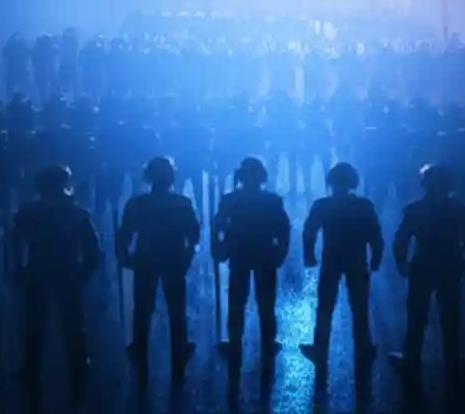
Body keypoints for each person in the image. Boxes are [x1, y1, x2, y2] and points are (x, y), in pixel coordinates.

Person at [11, 165, 102, 409]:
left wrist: (18, 271)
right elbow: (93, 252)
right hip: (67, 274)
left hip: (38, 272)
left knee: (34, 327)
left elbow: (15, 243)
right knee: (74, 328)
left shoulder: (28, 212)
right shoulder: (77, 213)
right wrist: (82, 276)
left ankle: (31, 371)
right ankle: (79, 373)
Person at [390, 163, 465, 386]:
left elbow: (402, 237)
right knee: (450, 314)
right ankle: (452, 360)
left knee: (417, 314)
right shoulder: (460, 209)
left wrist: (401, 261)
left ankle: (412, 360)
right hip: (450, 264)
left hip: (423, 264)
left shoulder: (415, 208)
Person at [117, 157, 201, 387]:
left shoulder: (137, 203)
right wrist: (187, 255)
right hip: (174, 258)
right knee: (177, 310)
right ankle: (179, 349)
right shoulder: (181, 203)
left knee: (142, 310)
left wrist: (125, 256)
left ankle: (139, 348)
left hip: (146, 257)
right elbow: (193, 234)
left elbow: (124, 232)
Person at [300, 162, 383, 367]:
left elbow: (309, 232)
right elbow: (375, 234)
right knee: (360, 306)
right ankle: (363, 347)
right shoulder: (364, 206)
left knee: (325, 306)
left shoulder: (322, 205)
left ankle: (320, 348)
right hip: (357, 260)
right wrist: (376, 258)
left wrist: (309, 255)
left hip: (332, 259)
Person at [212, 157, 291, 367]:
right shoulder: (273, 200)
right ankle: (268, 341)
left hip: (239, 253)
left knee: (237, 300)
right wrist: (281, 253)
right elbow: (283, 229)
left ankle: (235, 341)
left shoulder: (230, 199)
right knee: (266, 302)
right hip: (265, 253)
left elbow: (217, 225)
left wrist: (218, 249)